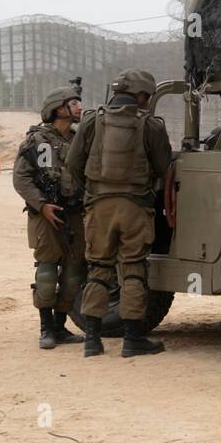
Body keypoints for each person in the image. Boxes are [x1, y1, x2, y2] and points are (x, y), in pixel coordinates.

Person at [65, 69, 172, 358]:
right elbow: (165, 169)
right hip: (135, 207)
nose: (148, 101)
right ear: (139, 95)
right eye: (147, 96)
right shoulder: (151, 125)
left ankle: (91, 340)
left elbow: (73, 163)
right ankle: (132, 340)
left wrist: (91, 191)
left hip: (99, 206)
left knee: (98, 269)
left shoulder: (91, 120)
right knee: (134, 270)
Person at [12, 86, 85, 349]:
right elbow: (21, 178)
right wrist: (42, 205)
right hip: (45, 215)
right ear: (58, 109)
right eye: (73, 103)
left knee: (73, 273)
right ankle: (46, 329)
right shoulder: (37, 141)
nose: (78, 107)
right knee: (46, 272)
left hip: (74, 213)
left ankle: (60, 326)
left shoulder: (79, 140)